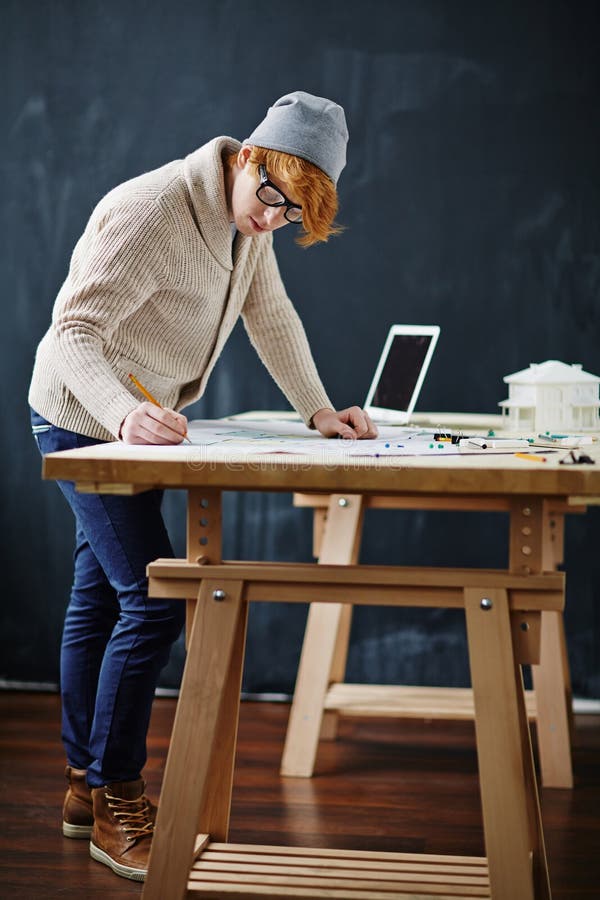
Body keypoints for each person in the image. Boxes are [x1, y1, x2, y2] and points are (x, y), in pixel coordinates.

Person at [28, 90, 377, 881]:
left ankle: (85, 786)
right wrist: (120, 414)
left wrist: (320, 409)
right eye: (273, 201)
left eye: (291, 216)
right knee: (152, 600)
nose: (272, 221)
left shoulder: (251, 219)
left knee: (105, 596)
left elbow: (271, 314)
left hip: (137, 422)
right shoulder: (152, 208)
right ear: (248, 156)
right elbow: (69, 334)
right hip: (87, 419)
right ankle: (117, 795)